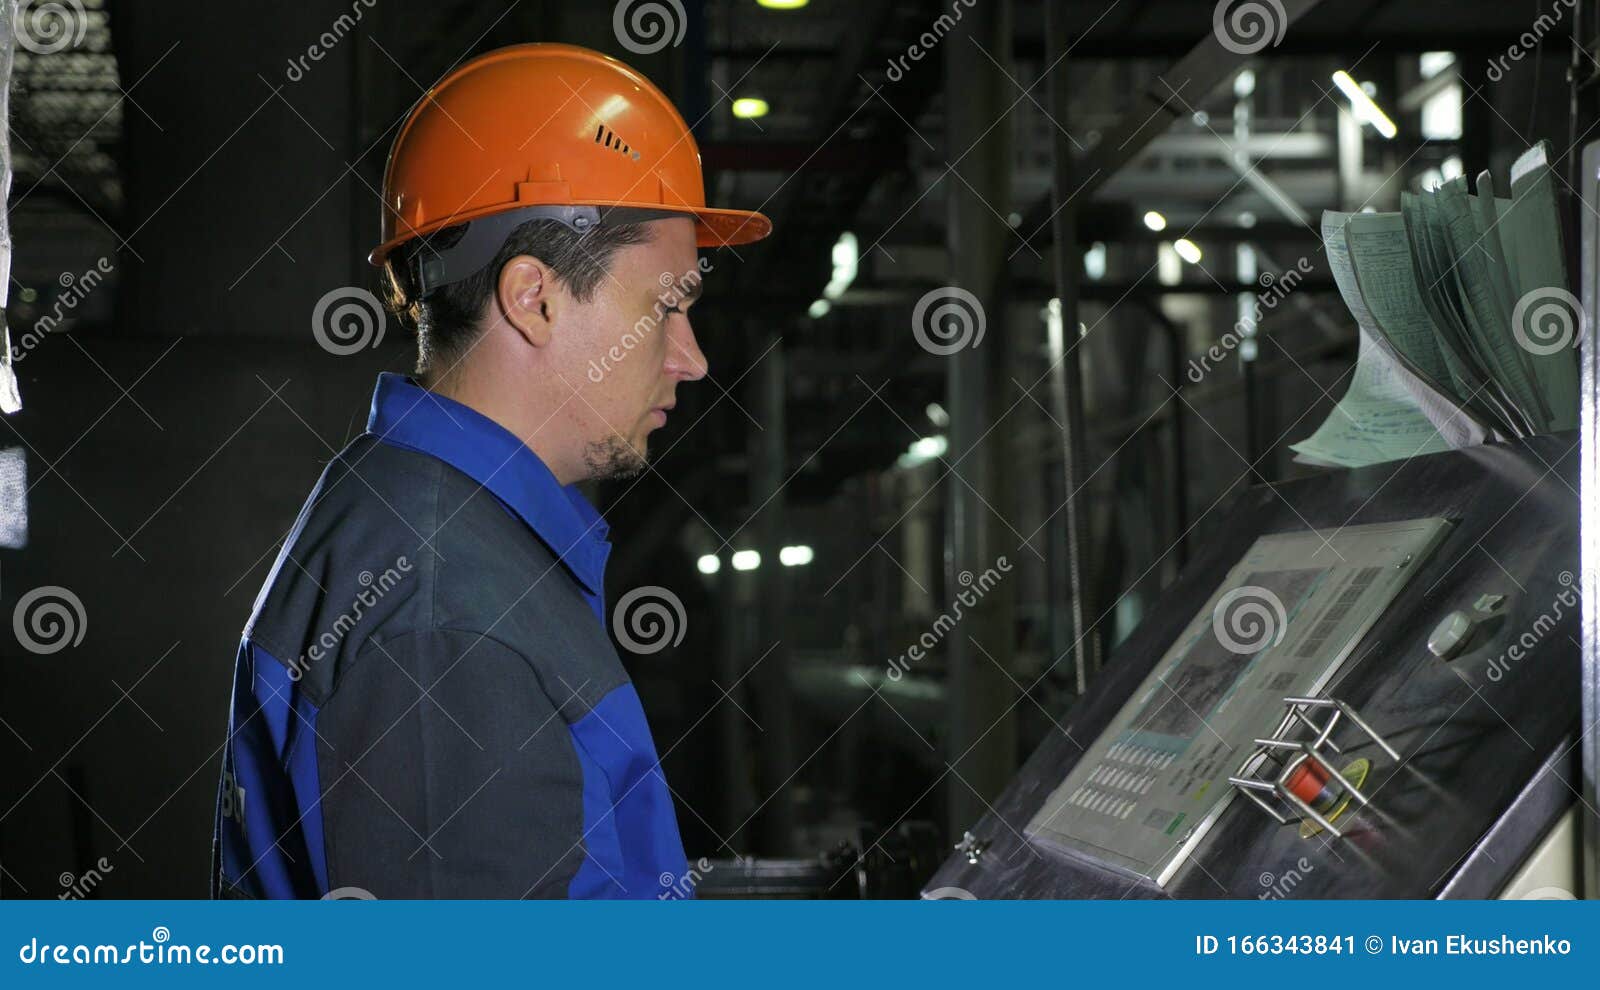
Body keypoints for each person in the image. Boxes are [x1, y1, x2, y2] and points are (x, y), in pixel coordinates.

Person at [211, 43, 771, 898]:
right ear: (533, 297)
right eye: (666, 306)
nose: (691, 359)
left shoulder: (446, 536)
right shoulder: (447, 614)